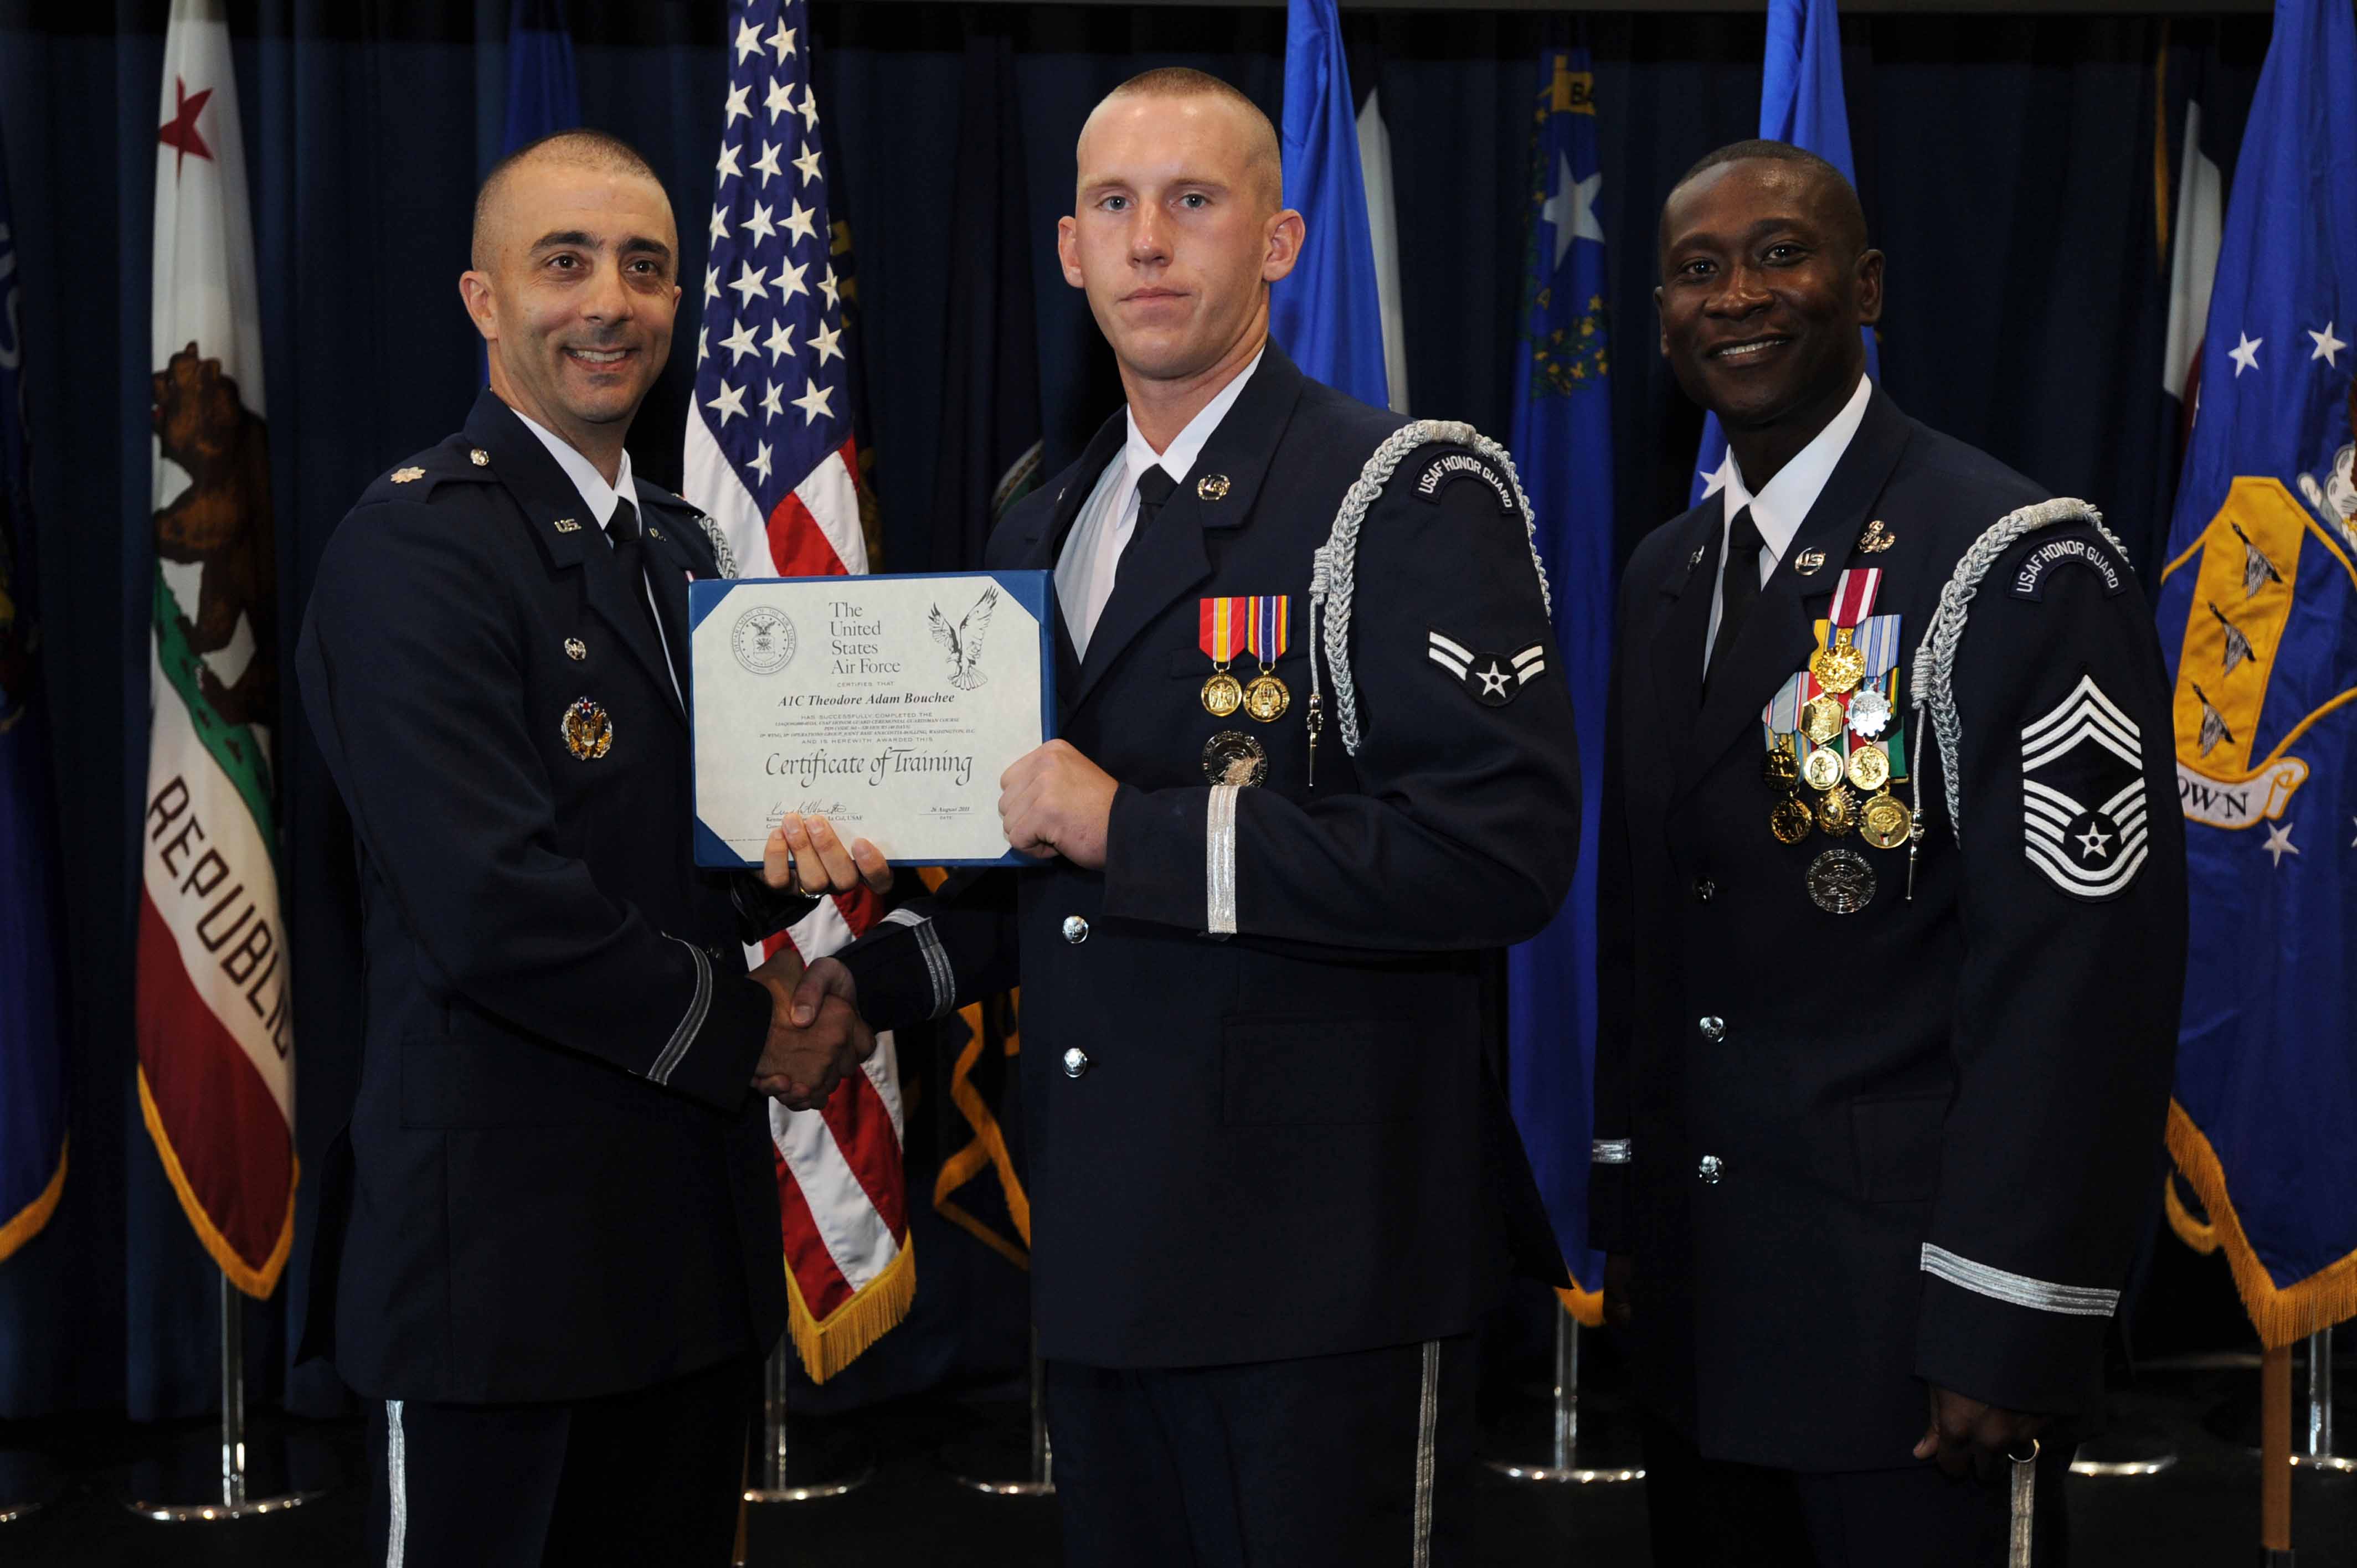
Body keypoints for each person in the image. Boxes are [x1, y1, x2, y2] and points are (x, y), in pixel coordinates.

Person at [769, 69, 1581, 1567]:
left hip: (1326, 1273)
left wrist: (1131, 828)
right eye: (1113, 205)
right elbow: (1044, 882)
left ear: (1277, 241)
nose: (1148, 241)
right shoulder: (1043, 515)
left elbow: (1498, 854)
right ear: (1069, 248)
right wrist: (865, 985)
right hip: (1104, 1258)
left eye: (1193, 202)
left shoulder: (1399, 491)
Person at [1589, 139, 2187, 1565]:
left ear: (1864, 287)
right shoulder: (1667, 574)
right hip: (1701, 1321)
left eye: (1779, 254)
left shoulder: (2014, 560)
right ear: (1661, 316)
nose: (1738, 295)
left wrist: (2008, 1310)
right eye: (1696, 270)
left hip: (1913, 1338)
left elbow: (2078, 980)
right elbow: (1653, 940)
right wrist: (1630, 1225)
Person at [295, 130, 884, 1567]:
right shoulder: (414, 551)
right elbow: (491, 906)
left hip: (682, 1263)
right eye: (563, 263)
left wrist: (806, 863)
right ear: (483, 299)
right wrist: (755, 1030)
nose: (608, 302)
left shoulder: (680, 551)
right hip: (497, 1285)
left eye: (644, 266)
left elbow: (681, 854)